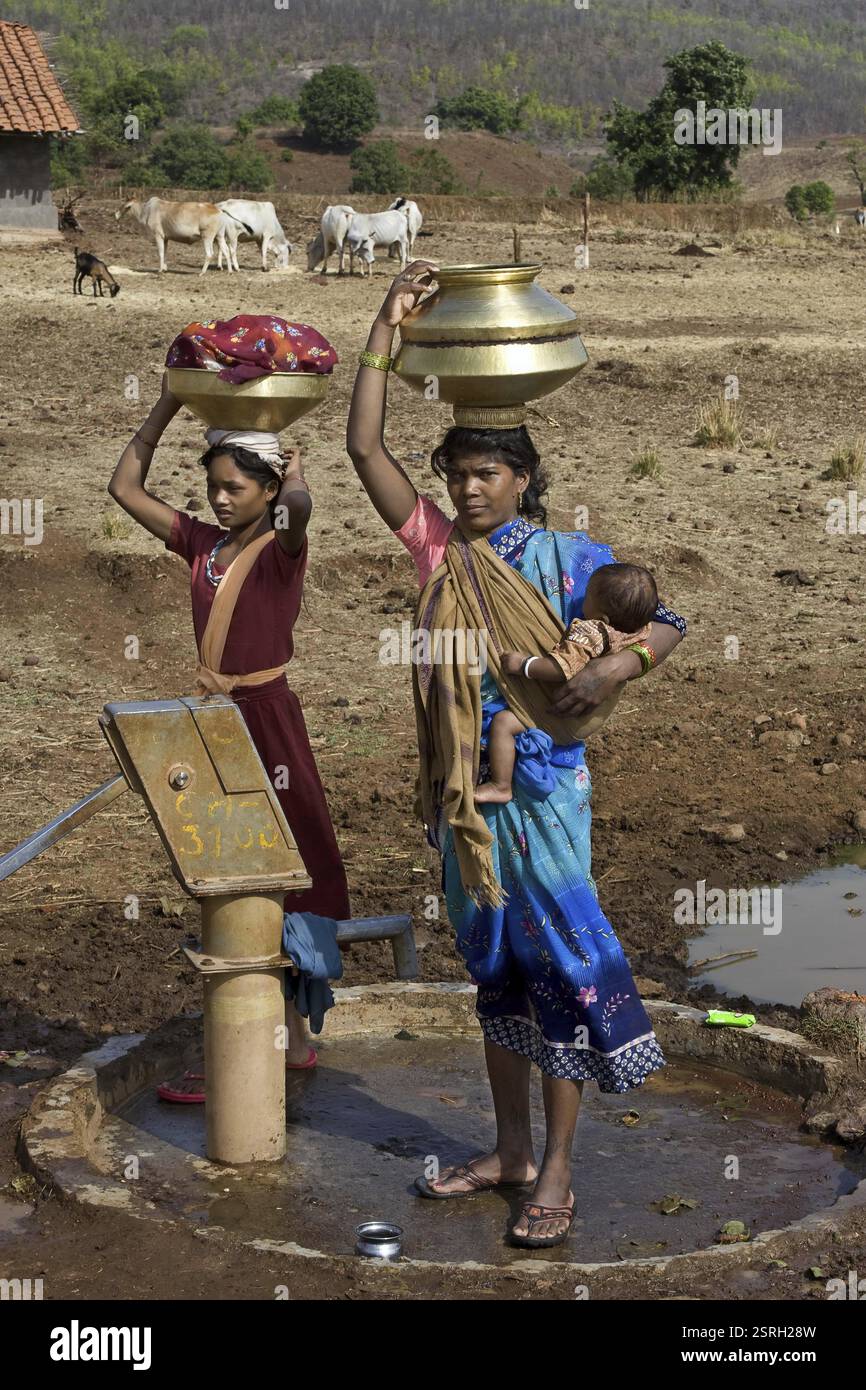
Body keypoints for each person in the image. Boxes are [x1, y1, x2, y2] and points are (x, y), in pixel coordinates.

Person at [347, 261, 688, 1249]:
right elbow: (361, 444)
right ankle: (503, 1148)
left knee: (561, 978)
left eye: (484, 475)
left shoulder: (568, 559)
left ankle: (556, 1168)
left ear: (524, 479)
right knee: (494, 977)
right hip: (465, 804)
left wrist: (613, 673)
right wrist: (381, 327)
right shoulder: (437, 552)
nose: (466, 489)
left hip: (544, 801)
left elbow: (660, 620)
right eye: (455, 475)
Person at [108, 373, 350, 1088]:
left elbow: (301, 512)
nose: (220, 497)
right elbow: (125, 490)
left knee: (278, 868)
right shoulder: (201, 546)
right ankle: (275, 1042)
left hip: (266, 725)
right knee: (229, 874)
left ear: (268, 492)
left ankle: (274, 1044)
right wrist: (167, 405)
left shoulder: (281, 550)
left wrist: (299, 477)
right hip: (216, 722)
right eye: (214, 485)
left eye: (236, 488)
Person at [482, 562, 658, 804]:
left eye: (589, 596)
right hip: (591, 715)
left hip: (565, 711)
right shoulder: (640, 628)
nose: (582, 598)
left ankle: (500, 785)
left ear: (602, 617)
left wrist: (524, 664)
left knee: (503, 723)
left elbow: (562, 667)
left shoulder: (590, 633)